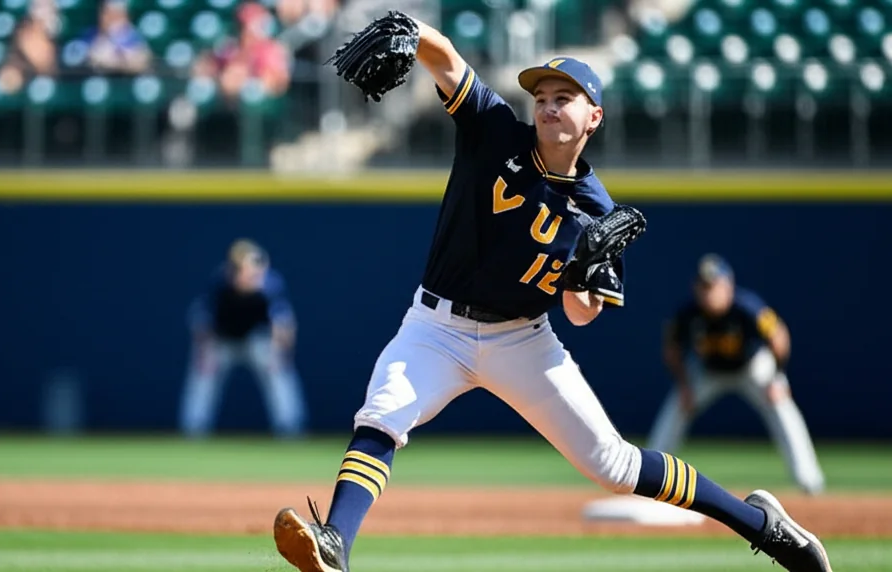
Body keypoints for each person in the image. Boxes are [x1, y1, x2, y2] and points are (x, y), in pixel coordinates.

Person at [270, 12, 832, 572]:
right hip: (436, 327)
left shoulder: (598, 212)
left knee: (614, 466)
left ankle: (764, 526)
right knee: (382, 415)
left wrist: (581, 271)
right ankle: (335, 545)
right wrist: (416, 33)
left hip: (522, 341)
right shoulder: (494, 131)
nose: (547, 103)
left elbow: (581, 315)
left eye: (565, 95)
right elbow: (445, 62)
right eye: (541, 94)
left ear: (594, 116)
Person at [647, 253, 825, 495]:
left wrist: (777, 377)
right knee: (677, 406)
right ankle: (650, 477)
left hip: (753, 368)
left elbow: (779, 336)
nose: (709, 293)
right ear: (696, 288)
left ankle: (809, 479)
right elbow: (672, 349)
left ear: (728, 285)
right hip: (708, 372)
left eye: (714, 286)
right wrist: (684, 385)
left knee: (782, 406)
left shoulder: (747, 307)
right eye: (704, 286)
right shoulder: (687, 314)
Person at [178, 239, 307, 439]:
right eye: (247, 269)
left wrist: (281, 353)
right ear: (234, 270)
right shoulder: (219, 284)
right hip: (220, 340)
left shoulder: (269, 285)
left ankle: (290, 427)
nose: (254, 274)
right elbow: (200, 321)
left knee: (279, 372)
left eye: (258, 269)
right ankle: (193, 428)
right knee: (203, 375)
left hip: (256, 339)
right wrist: (203, 352)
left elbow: (284, 324)